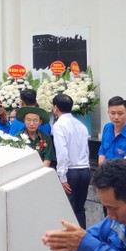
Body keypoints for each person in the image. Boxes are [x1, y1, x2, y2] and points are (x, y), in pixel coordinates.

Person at [51, 94, 91, 228]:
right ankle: (83, 239)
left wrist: (62, 177)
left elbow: (62, 153)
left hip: (70, 172)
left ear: (55, 108)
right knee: (80, 208)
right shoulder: (81, 125)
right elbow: (86, 150)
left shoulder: (58, 126)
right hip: (85, 169)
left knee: (68, 209)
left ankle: (70, 243)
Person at [97, 96, 126, 164]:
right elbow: (102, 151)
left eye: (120, 113)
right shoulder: (107, 127)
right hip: (105, 172)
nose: (116, 117)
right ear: (108, 113)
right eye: (113, 113)